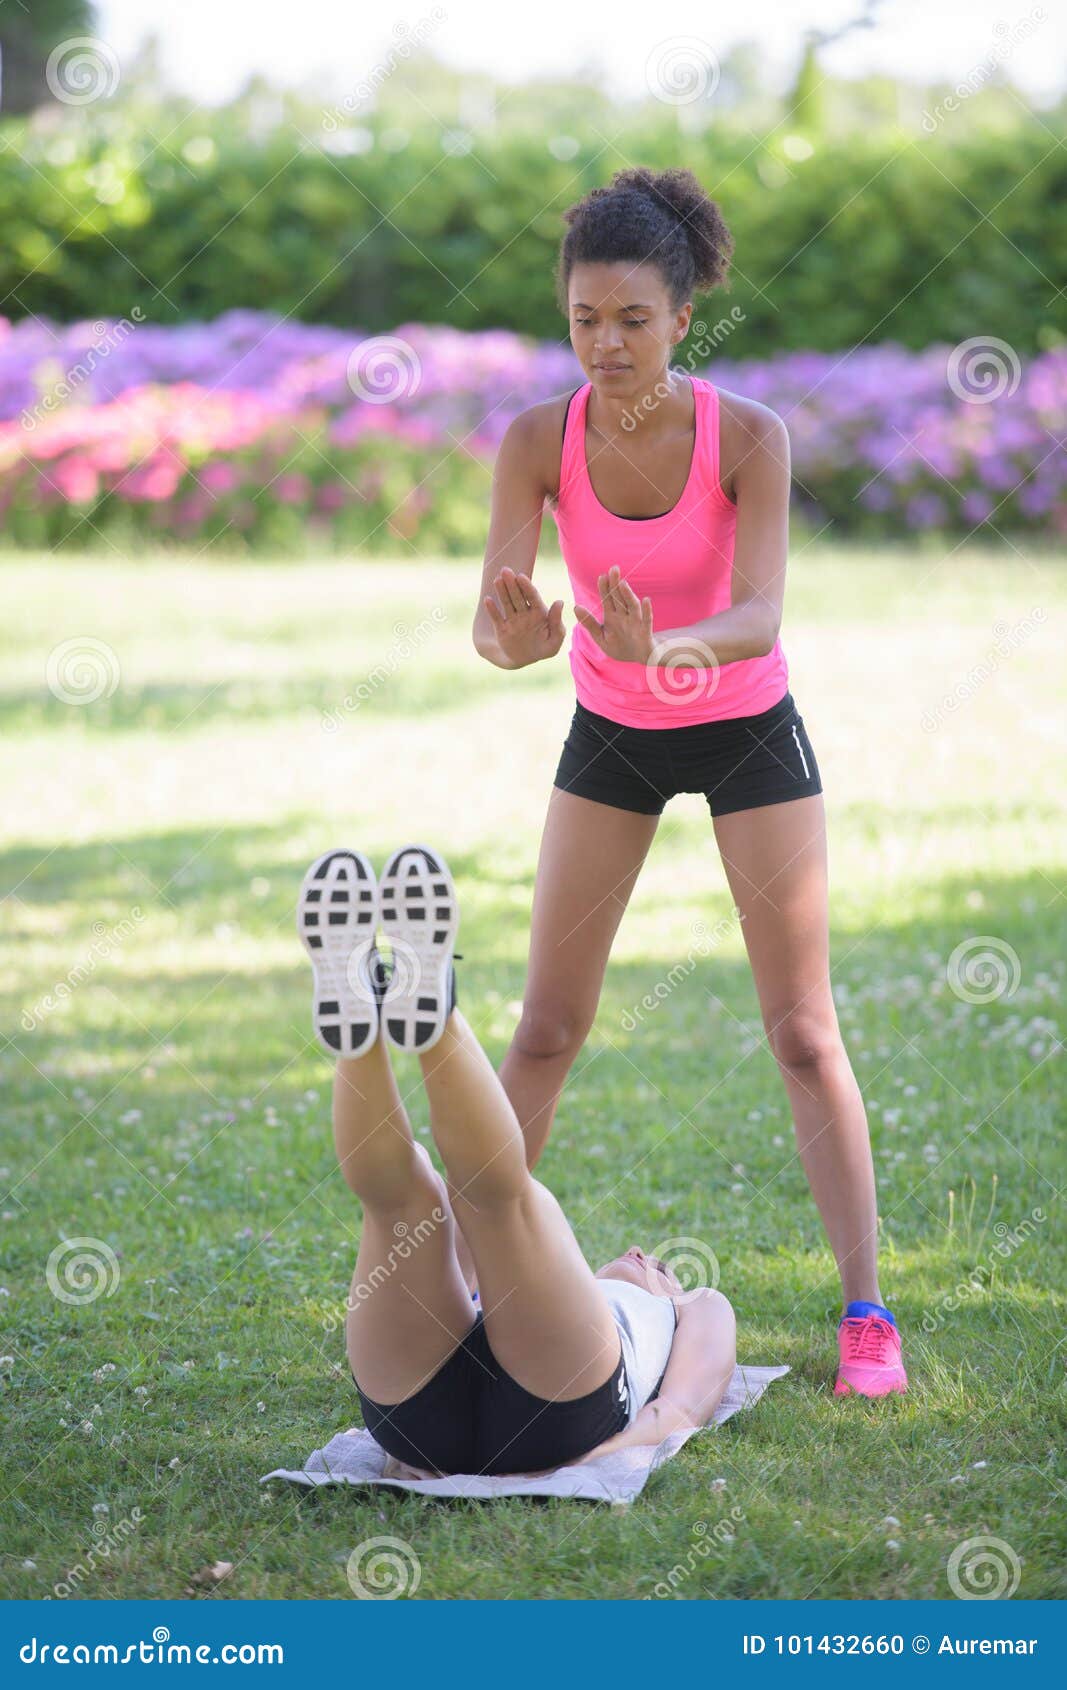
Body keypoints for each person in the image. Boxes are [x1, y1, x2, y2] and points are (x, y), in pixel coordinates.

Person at [471, 164, 906, 1399]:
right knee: (547, 1027)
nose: (604, 345)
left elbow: (762, 610)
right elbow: (496, 629)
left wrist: (664, 646)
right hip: (609, 734)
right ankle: (463, 1285)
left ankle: (865, 1311)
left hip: (742, 727)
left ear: (679, 317)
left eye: (631, 321)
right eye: (581, 320)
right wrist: (528, 637)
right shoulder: (531, 442)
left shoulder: (748, 436)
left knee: (801, 1029)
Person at [297, 843, 736, 1478]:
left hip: (538, 1416)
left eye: (662, 1267)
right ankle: (374, 1017)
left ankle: (418, 1008)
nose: (645, 1257)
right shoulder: (557, 1295)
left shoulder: (698, 1306)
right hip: (429, 1419)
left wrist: (588, 1461)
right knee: (417, 1203)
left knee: (494, 1201)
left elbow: (681, 1409)